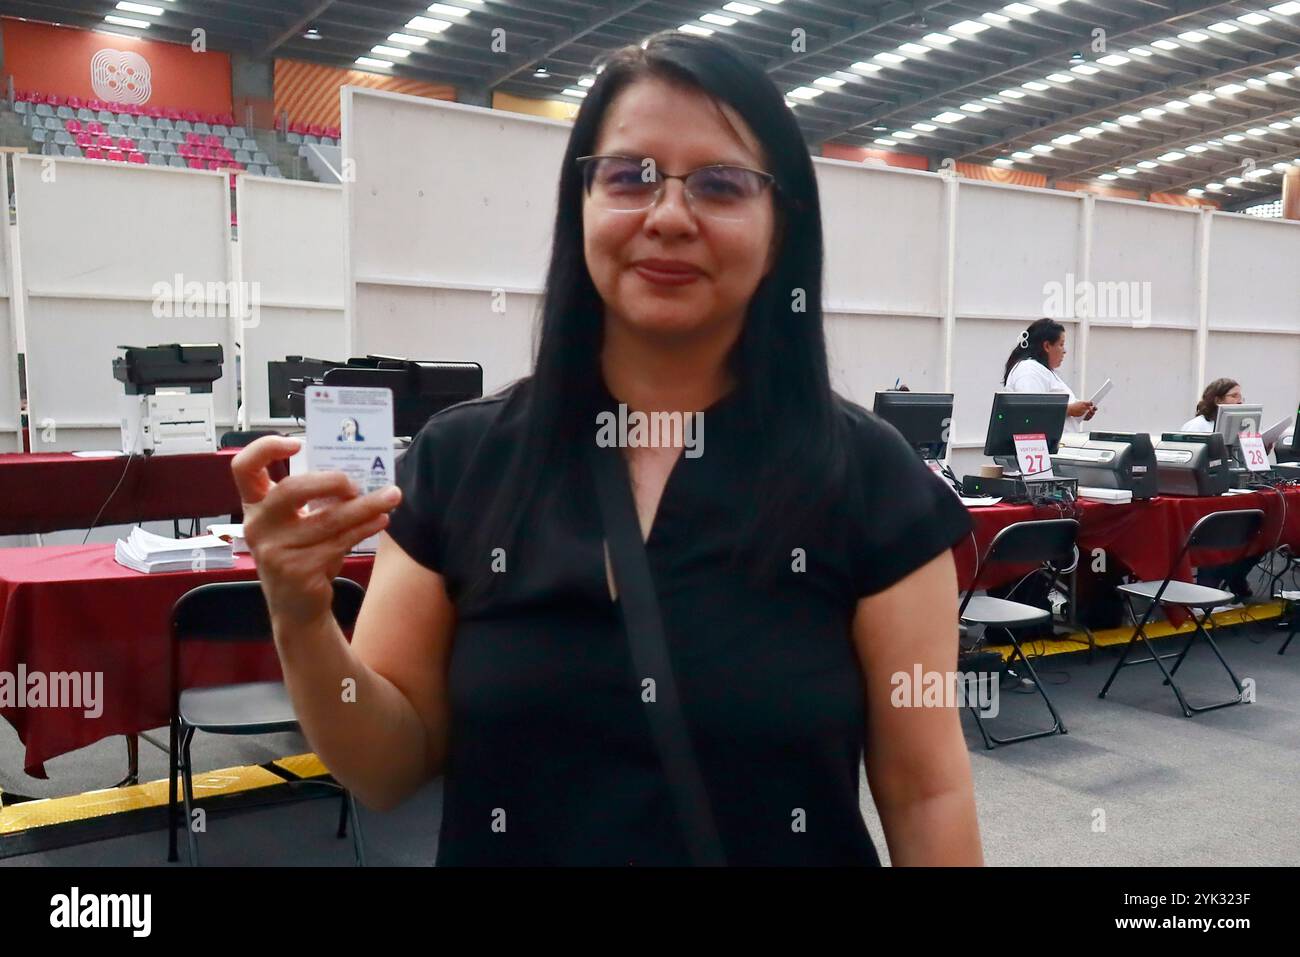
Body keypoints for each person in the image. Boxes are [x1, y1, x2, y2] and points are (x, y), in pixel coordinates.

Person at [231, 32, 982, 866]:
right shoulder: (463, 460)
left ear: (782, 225)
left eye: (721, 184)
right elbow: (384, 766)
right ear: (579, 203)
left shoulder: (869, 480)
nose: (667, 216)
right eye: (629, 177)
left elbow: (927, 792)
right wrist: (301, 619)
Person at [1182, 379, 1253, 600]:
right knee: (1218, 533)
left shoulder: (1242, 427)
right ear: (1217, 399)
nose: (1240, 401)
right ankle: (1211, 586)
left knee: (1263, 532)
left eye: (1241, 397)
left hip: (1231, 490)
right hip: (1202, 495)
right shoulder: (1196, 426)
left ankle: (1233, 575)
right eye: (1234, 396)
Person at [1002, 318, 1094, 430]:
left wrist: (1080, 412)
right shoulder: (1029, 370)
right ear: (1046, 346)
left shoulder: (1041, 370)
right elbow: (1030, 410)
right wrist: (1069, 410)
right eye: (1061, 344)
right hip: (1042, 446)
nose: (1064, 351)